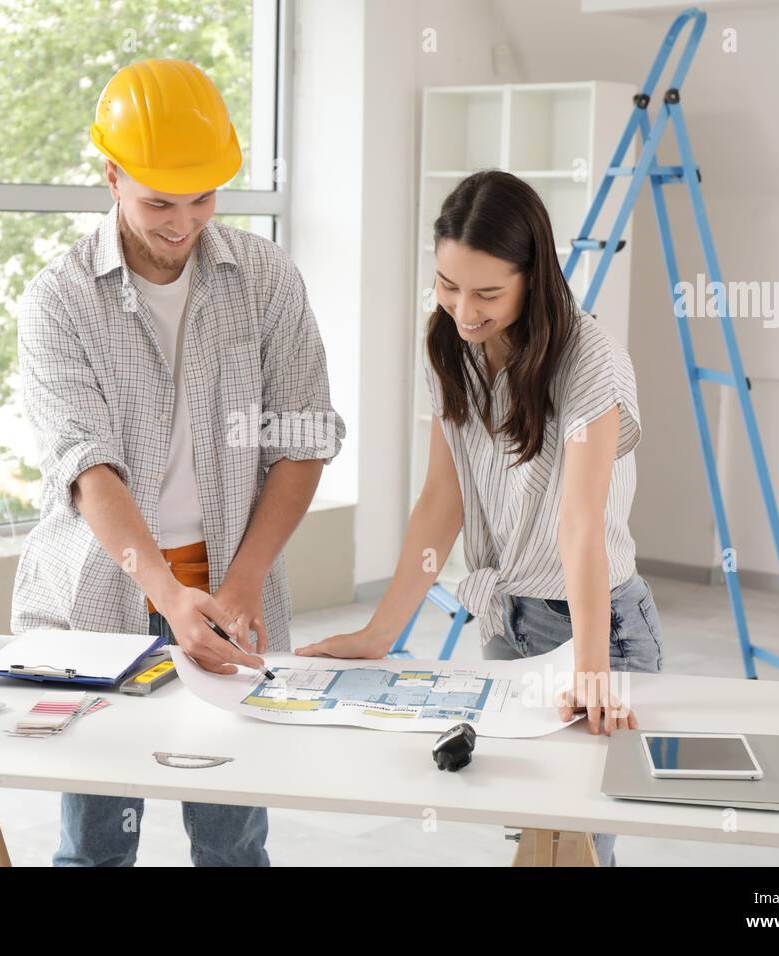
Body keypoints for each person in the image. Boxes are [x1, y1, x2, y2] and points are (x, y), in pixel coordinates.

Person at [12, 59, 344, 866]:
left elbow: (302, 442)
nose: (182, 223)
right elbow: (90, 471)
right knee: (96, 843)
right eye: (159, 201)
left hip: (233, 587)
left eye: (201, 199)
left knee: (232, 840)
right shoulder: (59, 300)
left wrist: (240, 585)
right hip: (104, 597)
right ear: (111, 174)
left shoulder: (264, 280)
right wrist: (165, 589)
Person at [295, 169, 662, 867]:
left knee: (576, 847)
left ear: (534, 277)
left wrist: (588, 670)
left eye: (488, 293)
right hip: (509, 619)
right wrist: (382, 632)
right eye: (447, 284)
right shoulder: (449, 348)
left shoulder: (590, 362)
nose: (464, 310)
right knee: (532, 838)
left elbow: (580, 522)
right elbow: (443, 497)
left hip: (598, 627)